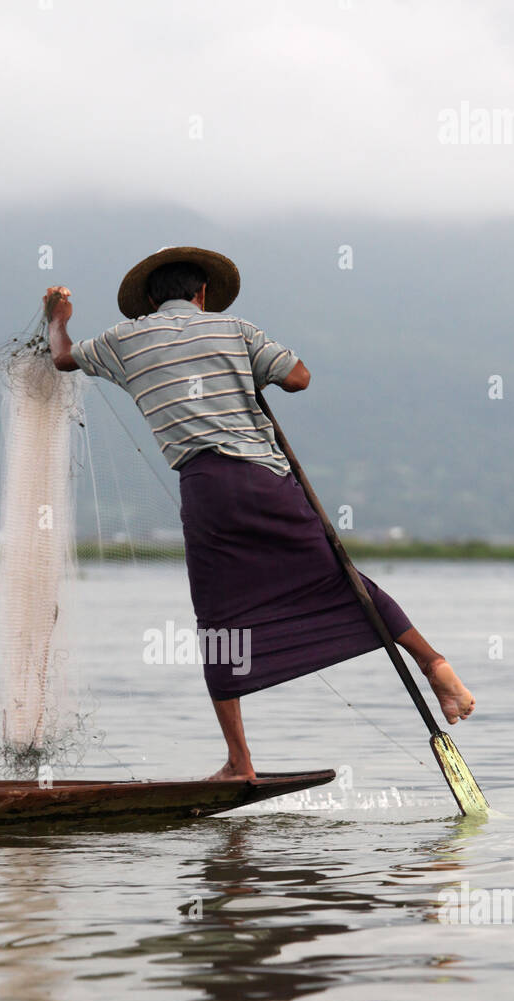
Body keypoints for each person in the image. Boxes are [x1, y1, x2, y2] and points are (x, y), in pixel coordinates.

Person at [46, 246, 474, 781]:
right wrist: (252, 373)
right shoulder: (236, 330)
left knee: (219, 620)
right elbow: (299, 378)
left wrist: (58, 319)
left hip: (207, 489)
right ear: (201, 295)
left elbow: (62, 358)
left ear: (150, 301)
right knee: (339, 577)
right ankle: (433, 663)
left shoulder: (122, 340)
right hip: (266, 480)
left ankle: (240, 761)